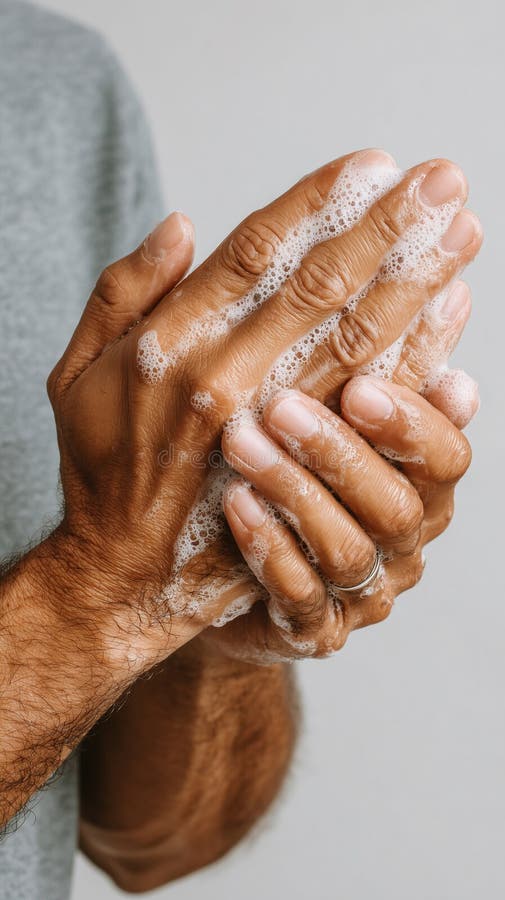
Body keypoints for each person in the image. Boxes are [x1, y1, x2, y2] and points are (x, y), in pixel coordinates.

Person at [0, 2, 481, 898]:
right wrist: (102, 597)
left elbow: (151, 849)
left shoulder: (58, 84)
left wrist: (206, 614)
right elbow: (107, 591)